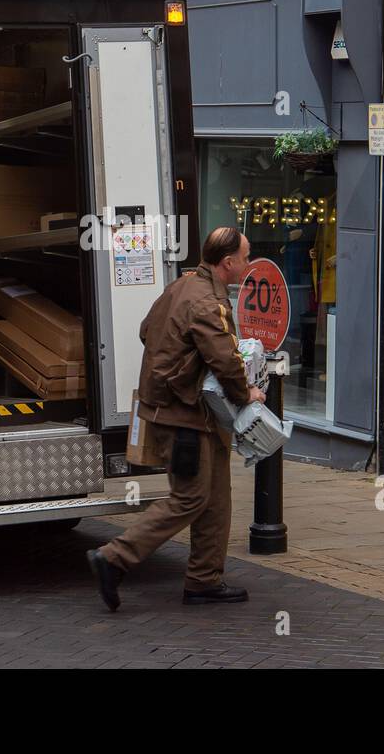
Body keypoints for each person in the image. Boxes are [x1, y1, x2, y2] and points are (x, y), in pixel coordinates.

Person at [87, 226, 264, 610]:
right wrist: (246, 392)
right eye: (246, 257)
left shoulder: (180, 287)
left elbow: (145, 329)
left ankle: (204, 581)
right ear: (228, 263)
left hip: (189, 414)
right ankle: (114, 557)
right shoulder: (206, 303)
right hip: (185, 417)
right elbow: (224, 360)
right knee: (189, 498)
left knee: (215, 498)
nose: (249, 263)